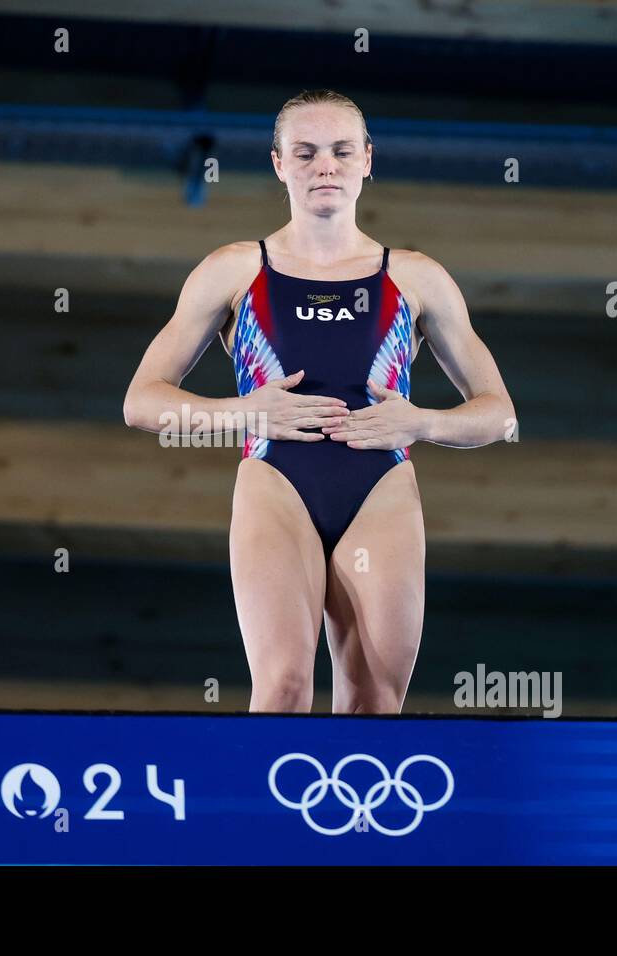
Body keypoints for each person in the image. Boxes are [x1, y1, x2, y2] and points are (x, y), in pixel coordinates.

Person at [123, 89, 516, 714]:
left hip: (380, 487)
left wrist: (422, 421)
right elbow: (141, 401)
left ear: (367, 159)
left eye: (339, 151)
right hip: (276, 478)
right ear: (279, 164)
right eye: (305, 153)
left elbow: (499, 413)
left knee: (374, 701)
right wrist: (243, 414)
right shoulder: (233, 270)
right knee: (282, 687)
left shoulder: (415, 277)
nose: (324, 167)